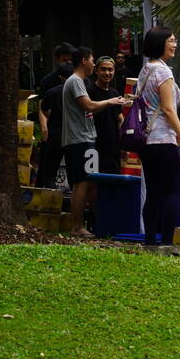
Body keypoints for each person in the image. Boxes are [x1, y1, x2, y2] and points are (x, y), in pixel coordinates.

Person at [63, 47, 128, 238]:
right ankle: (77, 226)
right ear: (84, 61)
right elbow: (89, 106)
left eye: (111, 69)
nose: (93, 64)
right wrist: (111, 102)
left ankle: (87, 224)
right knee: (82, 182)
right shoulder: (76, 82)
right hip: (80, 139)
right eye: (93, 61)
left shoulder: (79, 82)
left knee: (87, 183)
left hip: (86, 140)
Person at [136, 26, 180, 246]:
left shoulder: (146, 70)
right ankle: (167, 242)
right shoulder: (163, 72)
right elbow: (169, 109)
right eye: (171, 40)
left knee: (153, 192)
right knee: (172, 192)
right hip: (163, 140)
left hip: (147, 141)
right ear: (160, 43)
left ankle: (150, 240)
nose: (175, 44)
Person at [37, 61, 72, 188]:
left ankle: (50, 201)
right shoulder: (80, 91)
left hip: (56, 134)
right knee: (73, 172)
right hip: (73, 136)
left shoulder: (52, 92)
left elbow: (43, 108)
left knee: (50, 171)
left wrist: (50, 117)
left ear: (60, 77)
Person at [88, 55, 123, 177]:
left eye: (110, 69)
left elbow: (120, 119)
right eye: (103, 69)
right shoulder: (89, 91)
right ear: (96, 71)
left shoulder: (115, 93)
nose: (107, 73)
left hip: (113, 146)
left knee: (113, 181)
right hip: (93, 145)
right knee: (92, 182)